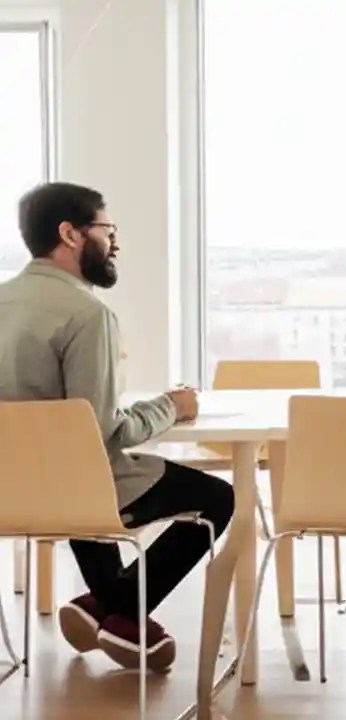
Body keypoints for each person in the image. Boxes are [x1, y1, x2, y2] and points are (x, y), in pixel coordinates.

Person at [0, 182, 235, 672]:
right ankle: (122, 611)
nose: (115, 243)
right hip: (76, 491)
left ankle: (102, 605)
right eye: (107, 229)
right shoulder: (88, 314)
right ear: (70, 233)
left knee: (84, 481)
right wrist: (173, 405)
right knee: (217, 497)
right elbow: (105, 430)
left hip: (11, 491)